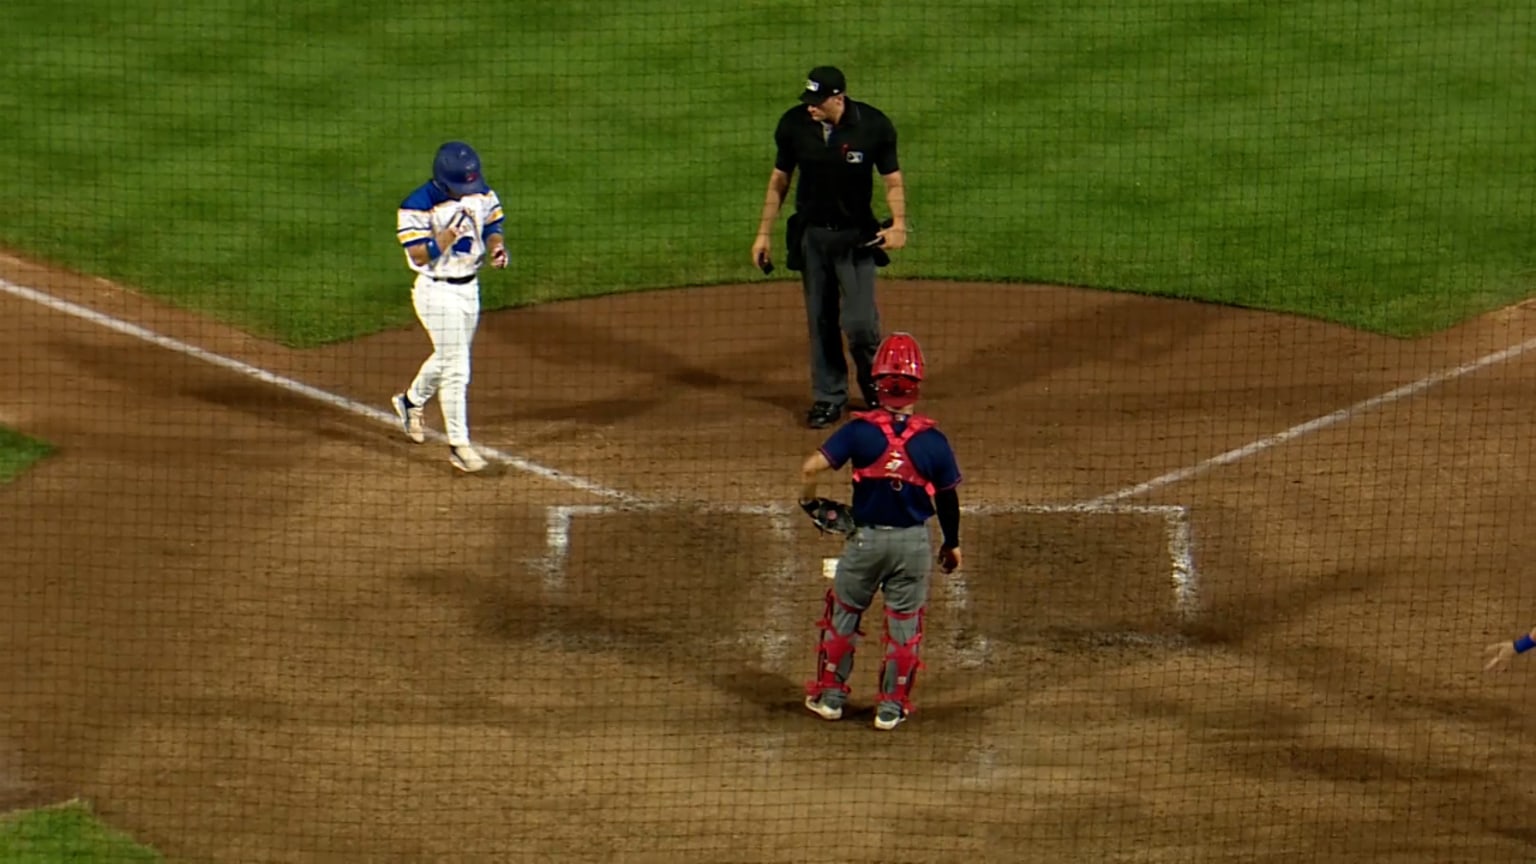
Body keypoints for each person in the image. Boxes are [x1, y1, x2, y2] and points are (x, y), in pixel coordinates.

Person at [798, 332, 962, 730]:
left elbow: (810, 468)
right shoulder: (934, 442)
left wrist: (810, 502)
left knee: (843, 617)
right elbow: (947, 501)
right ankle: (891, 708)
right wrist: (952, 544)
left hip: (866, 541)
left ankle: (831, 698)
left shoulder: (858, 432)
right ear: (916, 385)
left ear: (877, 383)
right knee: (904, 628)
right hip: (912, 546)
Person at [751, 66, 908, 429]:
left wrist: (899, 223)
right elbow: (780, 180)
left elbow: (893, 181)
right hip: (813, 238)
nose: (809, 108)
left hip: (857, 237)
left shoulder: (873, 126)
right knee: (821, 322)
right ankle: (829, 398)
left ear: (838, 98)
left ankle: (876, 390)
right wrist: (763, 234)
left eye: (816, 101)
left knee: (860, 324)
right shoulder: (793, 125)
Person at [389, 141, 508, 473]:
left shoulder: (481, 193)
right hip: (435, 293)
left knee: (447, 357)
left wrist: (498, 248)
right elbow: (418, 255)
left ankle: (410, 401)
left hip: (470, 289)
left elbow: (495, 225)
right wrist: (446, 237)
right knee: (457, 366)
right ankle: (459, 446)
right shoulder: (415, 206)